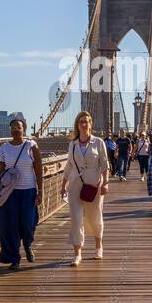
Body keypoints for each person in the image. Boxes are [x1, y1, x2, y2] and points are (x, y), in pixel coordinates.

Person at [0, 117, 43, 270]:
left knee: (28, 224)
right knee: (11, 226)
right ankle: (14, 258)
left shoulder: (31, 146)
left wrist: (39, 191)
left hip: (28, 191)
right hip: (9, 193)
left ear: (24, 129)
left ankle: (28, 244)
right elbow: (0, 172)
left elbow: (38, 169)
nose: (15, 129)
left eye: (18, 127)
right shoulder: (3, 148)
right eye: (13, 127)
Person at [61, 111, 109, 266]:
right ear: (77, 125)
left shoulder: (98, 142)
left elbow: (104, 164)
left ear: (90, 124)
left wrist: (106, 182)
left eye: (86, 121)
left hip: (94, 185)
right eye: (80, 122)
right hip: (75, 185)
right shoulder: (72, 144)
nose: (83, 124)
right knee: (76, 219)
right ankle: (77, 254)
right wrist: (63, 185)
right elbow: (69, 165)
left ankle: (98, 246)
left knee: (94, 217)